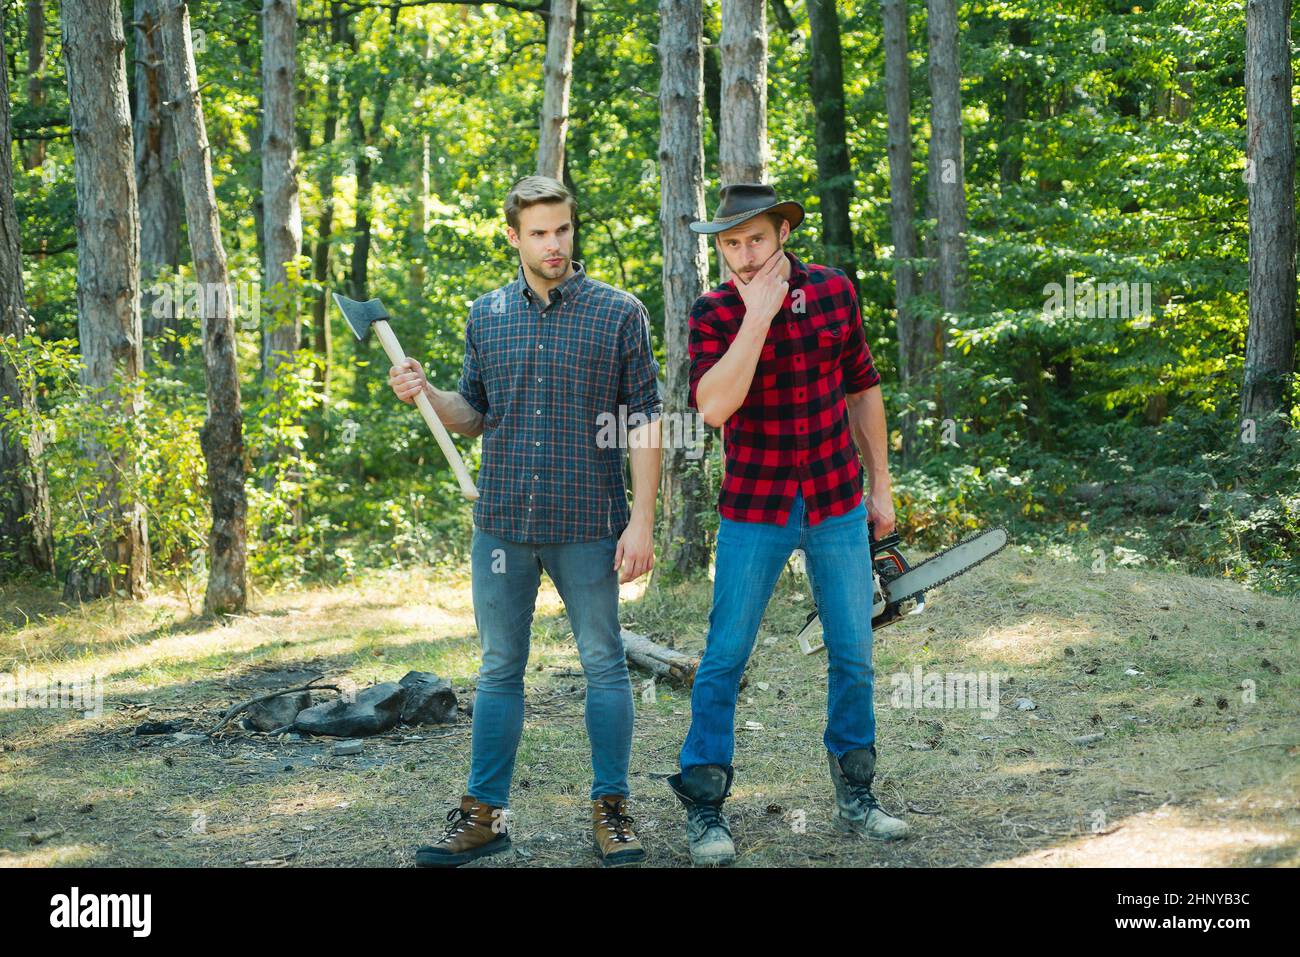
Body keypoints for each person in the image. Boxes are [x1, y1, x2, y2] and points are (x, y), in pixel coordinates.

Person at [388, 175, 662, 867]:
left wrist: (643, 522)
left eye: (563, 229)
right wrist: (425, 393)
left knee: (604, 663)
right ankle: (483, 817)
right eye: (539, 232)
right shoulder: (487, 314)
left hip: (590, 520)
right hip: (503, 521)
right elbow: (474, 414)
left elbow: (647, 422)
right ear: (513, 236)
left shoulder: (619, 313)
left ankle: (613, 812)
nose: (554, 244)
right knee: (500, 666)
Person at [667, 183, 909, 866]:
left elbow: (862, 387)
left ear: (783, 234)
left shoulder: (834, 291)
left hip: (836, 500)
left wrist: (881, 485)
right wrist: (758, 314)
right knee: (724, 657)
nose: (745, 256)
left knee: (854, 654)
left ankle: (857, 794)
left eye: (756, 239)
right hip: (755, 508)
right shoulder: (713, 311)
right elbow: (714, 407)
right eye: (731, 243)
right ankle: (707, 807)